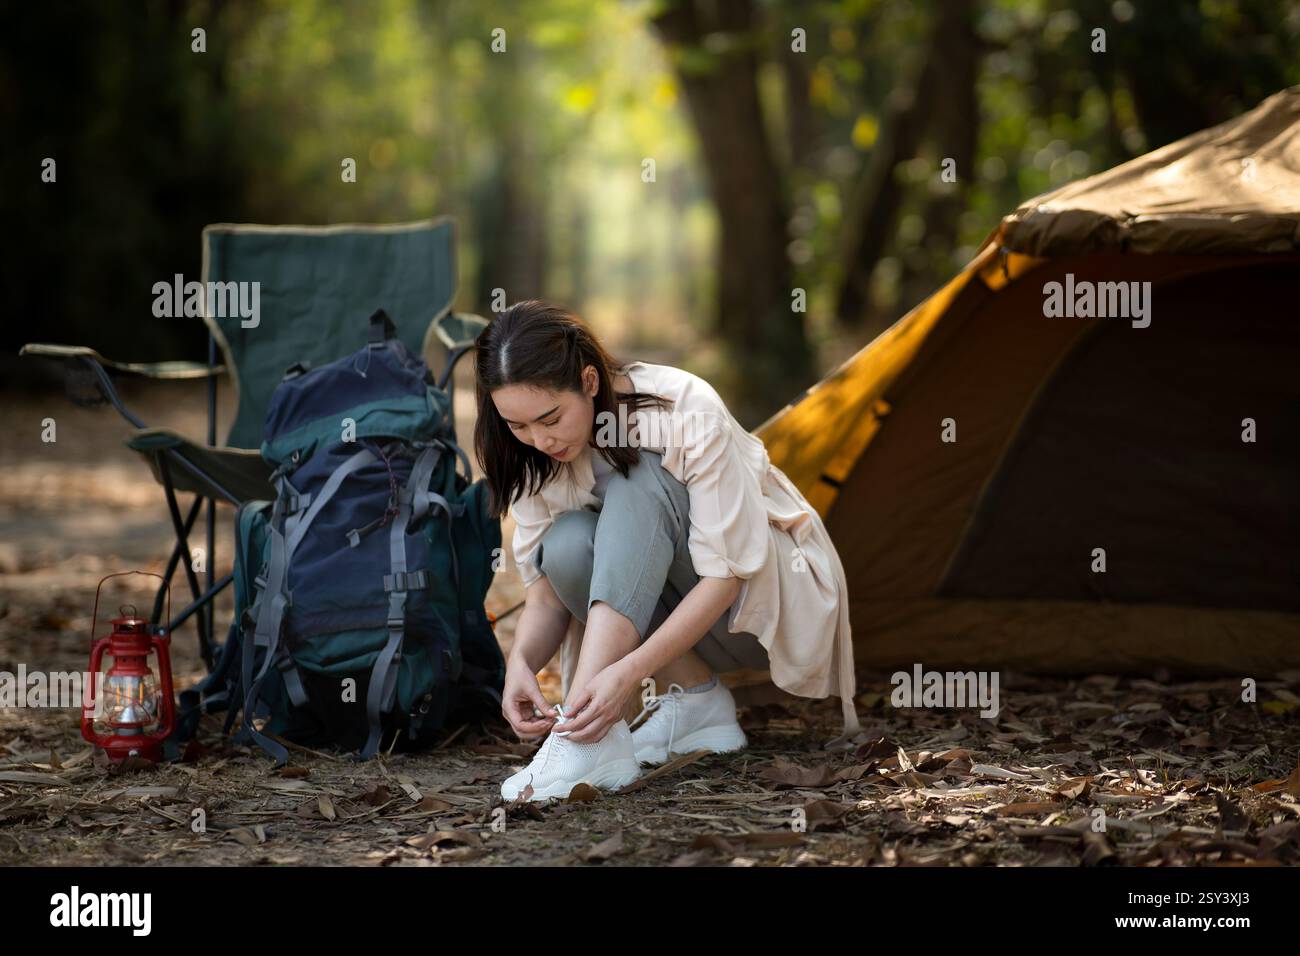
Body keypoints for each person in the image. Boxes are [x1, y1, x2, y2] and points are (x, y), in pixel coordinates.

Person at [473, 300, 860, 802]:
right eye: (517, 425)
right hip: (678, 626)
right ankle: (696, 701)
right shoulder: (532, 457)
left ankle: (584, 736)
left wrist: (627, 674)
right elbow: (545, 594)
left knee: (639, 481)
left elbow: (727, 577)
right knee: (566, 543)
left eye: (550, 417)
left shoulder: (683, 408)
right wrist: (520, 663)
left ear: (590, 381)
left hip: (755, 617)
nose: (539, 440)